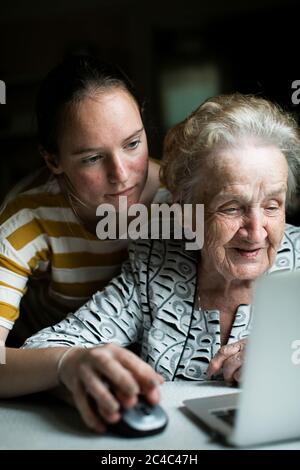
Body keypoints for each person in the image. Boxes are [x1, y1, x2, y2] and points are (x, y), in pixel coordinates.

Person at [2, 93, 300, 435]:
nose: (256, 230)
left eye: (272, 205)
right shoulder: (155, 268)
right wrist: (75, 365)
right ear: (185, 210)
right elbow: (43, 348)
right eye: (231, 208)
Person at [0, 54, 165, 348]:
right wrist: (68, 364)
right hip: (44, 371)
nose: (121, 174)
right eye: (92, 158)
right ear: (52, 160)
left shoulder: (182, 198)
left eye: (133, 143)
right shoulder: (26, 219)